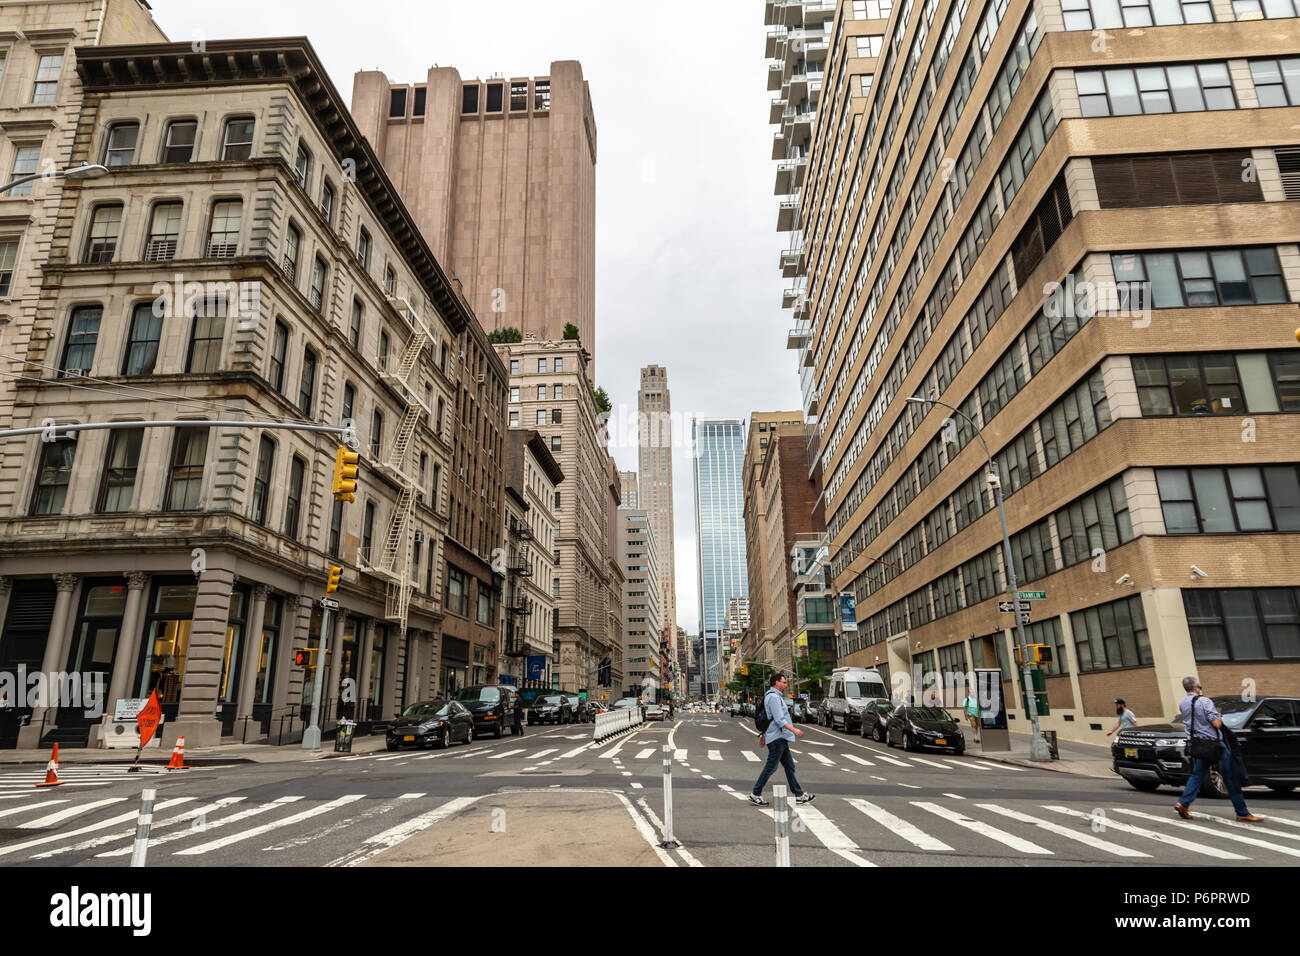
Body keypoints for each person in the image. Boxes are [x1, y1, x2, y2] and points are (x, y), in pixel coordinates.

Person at [1174, 677, 1262, 823]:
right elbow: (1216, 723)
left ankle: (1183, 803)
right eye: (1199, 687)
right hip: (1214, 746)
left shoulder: (1183, 703)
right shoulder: (1205, 701)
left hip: (1197, 745)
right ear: (1196, 687)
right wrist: (1219, 717)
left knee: (1197, 775)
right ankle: (1242, 812)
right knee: (1231, 777)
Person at [749, 672, 814, 807]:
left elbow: (769, 718)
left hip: (779, 737)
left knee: (789, 766)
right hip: (777, 738)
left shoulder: (774, 696)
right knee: (771, 767)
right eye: (783, 682)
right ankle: (755, 793)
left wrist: (763, 734)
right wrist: (794, 730)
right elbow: (778, 719)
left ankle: (799, 794)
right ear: (776, 683)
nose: (785, 684)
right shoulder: (773, 697)